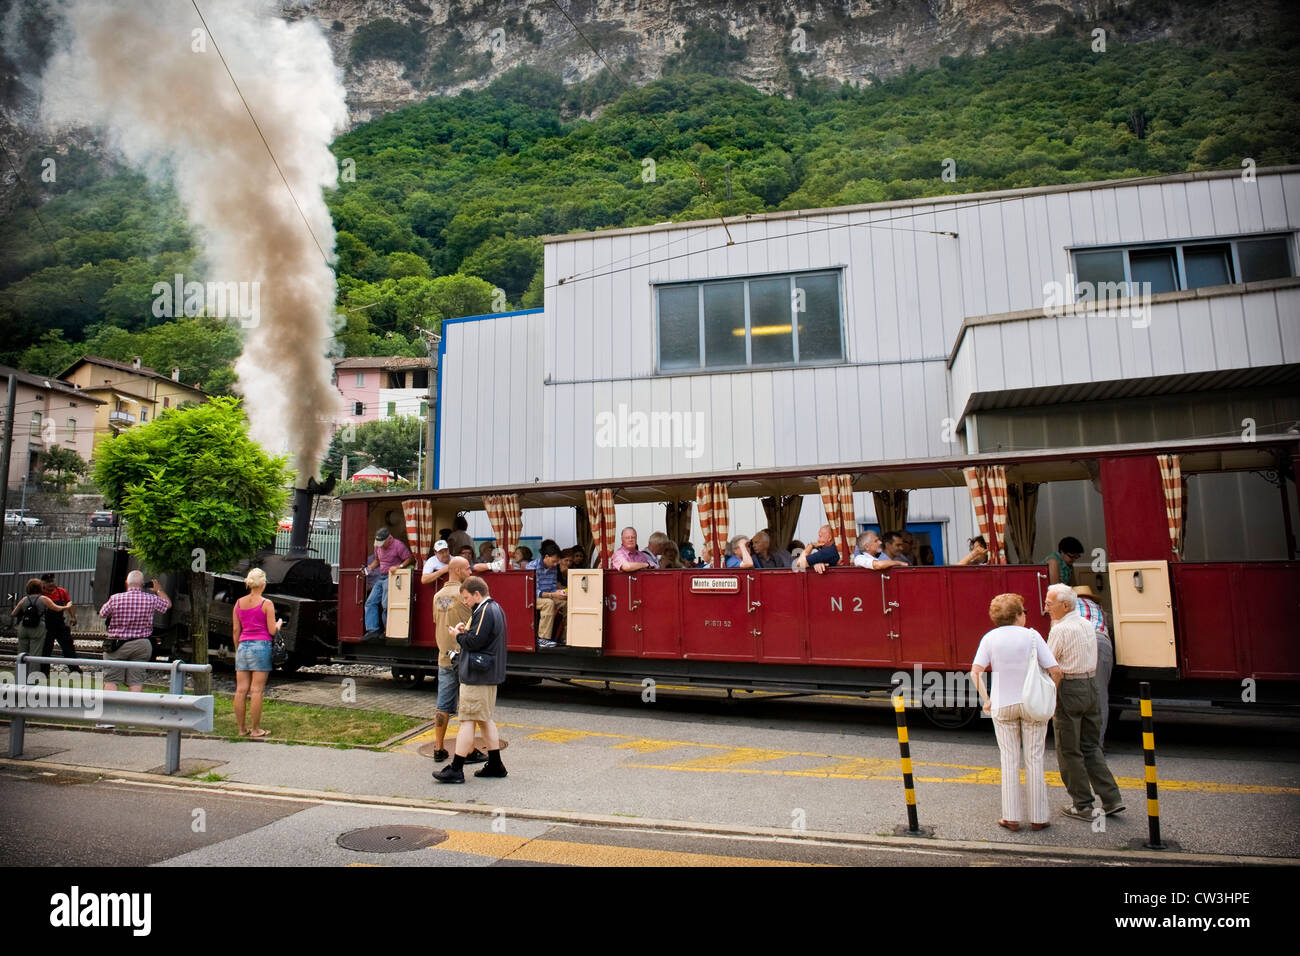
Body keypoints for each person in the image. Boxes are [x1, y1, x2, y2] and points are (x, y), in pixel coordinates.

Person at [971, 593, 1062, 833]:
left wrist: (987, 699)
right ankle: (1039, 817)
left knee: (1009, 759)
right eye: (1024, 611)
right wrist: (1051, 696)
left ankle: (1011, 817)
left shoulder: (989, 638)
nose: (1025, 615)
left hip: (1002, 704)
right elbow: (1055, 670)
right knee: (1034, 758)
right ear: (1018, 615)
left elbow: (975, 672)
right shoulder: (1033, 636)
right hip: (1032, 704)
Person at [1044, 583, 1124, 821]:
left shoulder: (1060, 630)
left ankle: (1082, 805)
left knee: (1069, 749)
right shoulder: (1088, 625)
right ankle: (1111, 799)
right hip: (1091, 686)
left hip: (1069, 688)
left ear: (1065, 605)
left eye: (1050, 603)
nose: (1046, 607)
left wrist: (1048, 697)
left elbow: (1051, 665)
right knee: (1090, 746)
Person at [433, 576, 509, 784]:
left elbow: (474, 642)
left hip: (477, 675)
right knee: (485, 720)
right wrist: (466, 632)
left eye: (466, 598)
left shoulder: (484, 610)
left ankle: (456, 769)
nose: (465, 602)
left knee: (467, 720)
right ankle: (496, 764)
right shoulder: (495, 609)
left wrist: (457, 635)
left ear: (477, 594)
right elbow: (482, 637)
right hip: (487, 673)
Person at [428, 557, 485, 765]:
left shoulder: (437, 596)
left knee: (443, 705)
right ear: (458, 571)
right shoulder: (465, 596)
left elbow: (437, 621)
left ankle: (438, 748)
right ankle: (468, 750)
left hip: (444, 656)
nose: (470, 571)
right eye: (467, 568)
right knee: (467, 705)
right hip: (464, 657)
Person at [98, 570, 170, 694]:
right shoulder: (151, 599)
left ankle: (110, 709)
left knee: (111, 680)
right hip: (142, 645)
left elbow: (102, 614)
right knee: (136, 681)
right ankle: (134, 710)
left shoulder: (116, 599)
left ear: (127, 583)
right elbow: (167, 605)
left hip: (117, 645)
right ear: (142, 584)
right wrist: (159, 590)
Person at [232, 568, 283, 739]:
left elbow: (235, 630)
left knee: (240, 690)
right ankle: (255, 730)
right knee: (256, 691)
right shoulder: (266, 604)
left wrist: (238, 648)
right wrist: (279, 625)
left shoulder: (239, 603)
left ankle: (240, 729)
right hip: (261, 647)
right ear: (263, 584)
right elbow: (271, 630)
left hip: (243, 647)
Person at [1074, 585, 1114, 741]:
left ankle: (1077, 744)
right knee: (1099, 695)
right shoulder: (1100, 609)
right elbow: (1109, 628)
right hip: (1100, 641)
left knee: (1074, 694)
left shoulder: (1067, 606)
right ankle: (1097, 745)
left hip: (1077, 642)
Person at [13, 579, 70, 681]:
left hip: (23, 627)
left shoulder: (24, 599)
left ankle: (20, 678)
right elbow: (57, 608)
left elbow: (13, 613)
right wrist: (67, 606)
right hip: (37, 627)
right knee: (35, 654)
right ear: (40, 588)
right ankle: (32, 678)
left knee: (21, 653)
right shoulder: (43, 598)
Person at [363, 528, 413, 642]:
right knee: (370, 601)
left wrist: (398, 567)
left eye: (382, 543)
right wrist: (369, 568)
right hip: (381, 576)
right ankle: (373, 630)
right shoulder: (378, 546)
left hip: (393, 577)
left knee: (386, 604)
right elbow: (377, 560)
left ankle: (388, 630)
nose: (380, 546)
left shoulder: (398, 545)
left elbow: (409, 559)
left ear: (389, 539)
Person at [39, 572, 79, 676]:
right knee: (46, 649)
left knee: (68, 646)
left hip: (60, 624)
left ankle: (74, 668)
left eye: (52, 581)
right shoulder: (40, 593)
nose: (51, 584)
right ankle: (44, 672)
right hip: (47, 626)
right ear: (43, 583)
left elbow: (69, 604)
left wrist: (73, 617)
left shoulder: (61, 591)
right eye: (48, 582)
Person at [529, 542, 566, 648]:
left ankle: (565, 637)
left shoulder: (553, 567)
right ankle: (543, 639)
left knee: (567, 603)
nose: (555, 564)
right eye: (554, 561)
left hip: (548, 595)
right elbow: (533, 591)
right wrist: (553, 594)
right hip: (532, 598)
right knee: (548, 603)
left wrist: (559, 592)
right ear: (546, 557)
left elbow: (553, 586)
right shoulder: (532, 566)